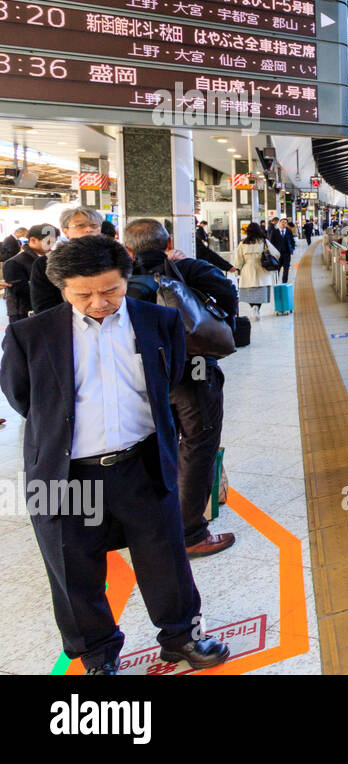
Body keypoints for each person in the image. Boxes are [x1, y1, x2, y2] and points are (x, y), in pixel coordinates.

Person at [0, 235, 230, 674]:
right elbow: (21, 397)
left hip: (140, 463)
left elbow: (172, 376)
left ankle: (182, 637)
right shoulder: (31, 334)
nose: (99, 301)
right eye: (83, 293)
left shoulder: (159, 321)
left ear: (127, 279)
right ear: (62, 288)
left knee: (165, 557)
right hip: (65, 473)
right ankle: (98, 655)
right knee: (73, 570)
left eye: (110, 290)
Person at [123, 218, 237, 558]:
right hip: (194, 373)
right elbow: (228, 295)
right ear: (168, 241)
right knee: (198, 445)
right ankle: (190, 533)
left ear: (126, 247)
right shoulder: (189, 268)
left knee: (155, 444)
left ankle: (152, 522)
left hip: (142, 378)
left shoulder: (118, 279)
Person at [31, 207, 104, 315]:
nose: (89, 229)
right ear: (65, 231)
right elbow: (43, 306)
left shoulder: (114, 257)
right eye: (80, 225)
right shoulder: (46, 263)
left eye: (94, 225)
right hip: (67, 324)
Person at [3, 223, 57, 320]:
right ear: (32, 240)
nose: (52, 246)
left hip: (47, 309)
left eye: (54, 242)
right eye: (48, 242)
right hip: (23, 312)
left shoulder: (51, 259)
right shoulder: (14, 262)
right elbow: (19, 290)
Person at [234, 222, 279, 320]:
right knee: (262, 292)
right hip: (262, 269)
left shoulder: (242, 243)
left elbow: (238, 260)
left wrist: (237, 270)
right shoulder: (264, 242)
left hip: (247, 269)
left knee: (249, 292)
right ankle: (257, 308)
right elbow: (276, 253)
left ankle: (253, 307)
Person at [275, 217, 296, 284]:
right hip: (278, 254)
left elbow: (292, 241)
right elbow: (272, 242)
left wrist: (292, 248)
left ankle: (284, 282)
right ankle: (275, 281)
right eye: (282, 222)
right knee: (277, 268)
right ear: (280, 223)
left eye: (285, 222)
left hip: (287, 253)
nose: (284, 223)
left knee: (286, 269)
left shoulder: (289, 231)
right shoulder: (275, 232)